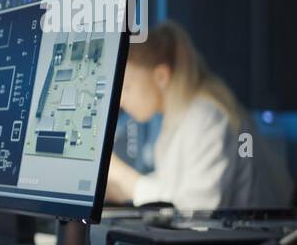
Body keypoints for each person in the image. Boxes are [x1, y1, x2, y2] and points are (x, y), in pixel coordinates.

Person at [105, 21, 292, 210]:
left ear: (161, 76)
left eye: (126, 87)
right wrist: (120, 188)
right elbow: (175, 187)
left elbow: (195, 210)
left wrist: (121, 175)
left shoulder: (205, 117)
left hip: (251, 237)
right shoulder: (179, 118)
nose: (120, 100)